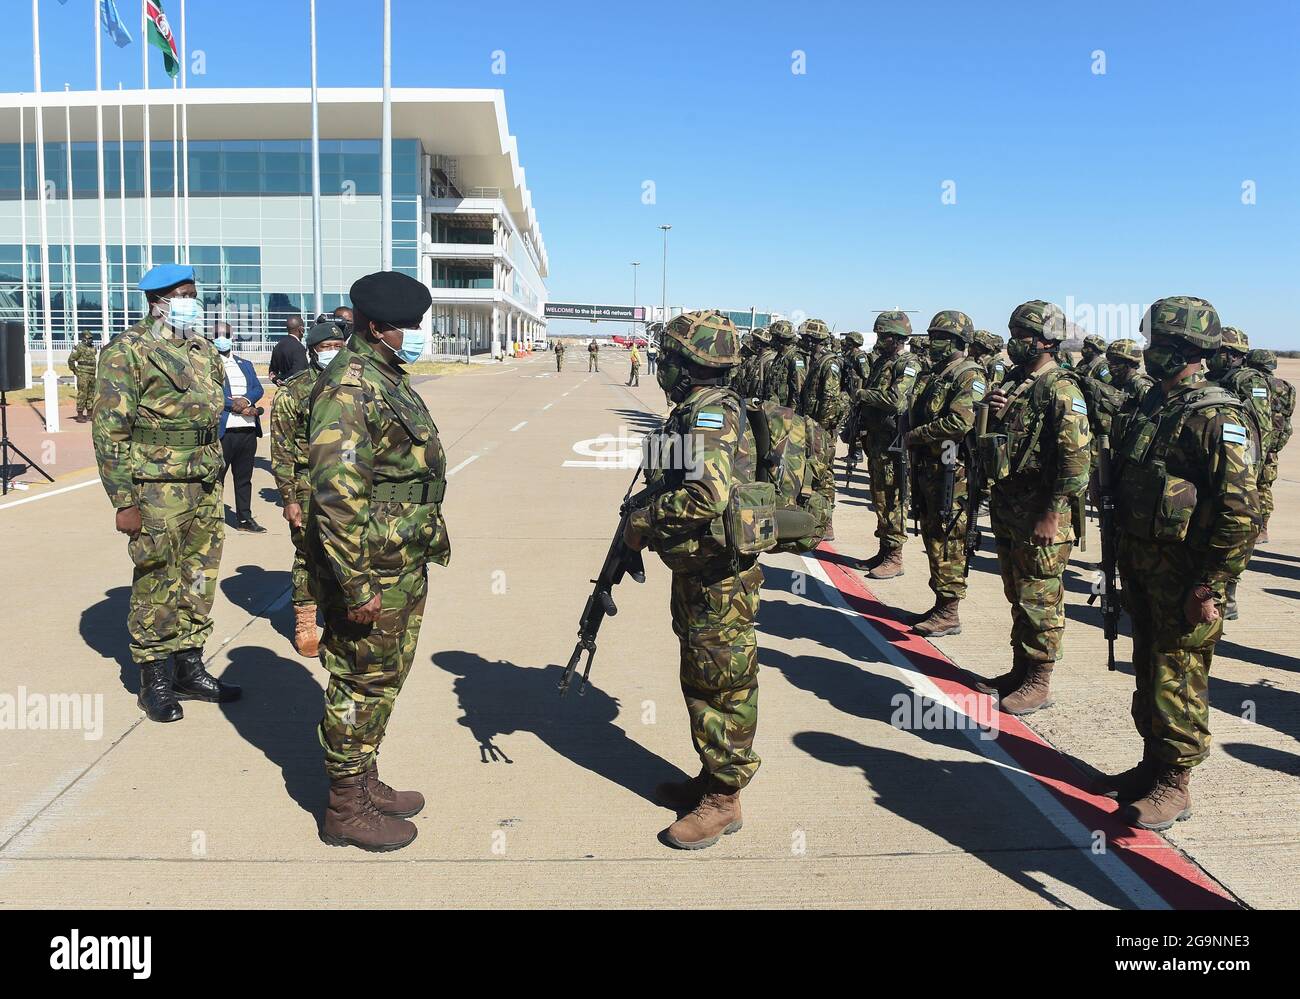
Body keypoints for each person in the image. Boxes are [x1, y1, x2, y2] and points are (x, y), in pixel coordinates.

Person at [1099, 296, 1259, 830]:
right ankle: (1152, 764)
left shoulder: (1219, 416)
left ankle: (1177, 783)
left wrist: (1211, 584)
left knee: (1180, 676)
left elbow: (1241, 512)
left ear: (1192, 350)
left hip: (1187, 577)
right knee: (1149, 669)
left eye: (1162, 346)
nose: (1150, 354)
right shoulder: (1152, 404)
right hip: (1144, 566)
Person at [309, 270, 450, 852]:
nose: (411, 336)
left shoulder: (384, 377)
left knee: (383, 677)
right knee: (361, 681)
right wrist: (356, 582)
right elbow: (337, 496)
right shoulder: (350, 389)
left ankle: (365, 780)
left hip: (400, 556)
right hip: (372, 567)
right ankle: (345, 808)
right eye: (403, 328)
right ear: (371, 327)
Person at [623, 310, 761, 850]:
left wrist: (642, 523)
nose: (664, 365)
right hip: (698, 570)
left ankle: (725, 799)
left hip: (720, 577)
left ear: (692, 363)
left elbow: (708, 495)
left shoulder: (710, 414)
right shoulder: (689, 410)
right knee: (702, 675)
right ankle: (712, 774)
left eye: (671, 357)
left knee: (724, 678)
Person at [92, 263, 241, 724]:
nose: (191, 302)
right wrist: (124, 501)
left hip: (204, 480)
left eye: (194, 294)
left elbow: (212, 412)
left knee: (200, 573)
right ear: (157, 299)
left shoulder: (202, 349)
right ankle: (154, 676)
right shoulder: (128, 351)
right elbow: (109, 431)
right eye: (183, 294)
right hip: (156, 486)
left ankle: (189, 664)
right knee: (158, 575)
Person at [976, 301, 1090, 714]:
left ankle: (1040, 680)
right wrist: (989, 410)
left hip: (1042, 514)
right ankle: (1020, 669)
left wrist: (1053, 513)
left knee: (1041, 599)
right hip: (1012, 508)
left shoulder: (1060, 388)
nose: (1014, 342)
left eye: (1021, 335)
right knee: (1018, 593)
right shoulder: (1018, 381)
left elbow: (1076, 460)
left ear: (1045, 340)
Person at [270, 319, 349, 658]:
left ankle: (342, 618)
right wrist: (289, 499)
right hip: (308, 483)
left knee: (349, 550)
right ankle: (305, 622)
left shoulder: (356, 384)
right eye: (324, 348)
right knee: (308, 553)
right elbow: (282, 448)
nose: (332, 353)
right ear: (312, 351)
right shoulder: (295, 391)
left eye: (337, 347)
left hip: (349, 483)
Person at [903, 311, 985, 637]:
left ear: (957, 342)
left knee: (949, 540)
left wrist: (916, 435)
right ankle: (941, 602)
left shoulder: (969, 376)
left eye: (939, 337)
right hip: (929, 468)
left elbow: (960, 422)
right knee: (933, 537)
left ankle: (950, 610)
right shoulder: (936, 373)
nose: (932, 342)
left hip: (953, 471)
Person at [1205, 326, 1272, 618]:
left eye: (1218, 352)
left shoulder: (1249, 380)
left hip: (1239, 468)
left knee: (1235, 531)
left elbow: (1262, 430)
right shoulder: (1213, 380)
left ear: (1232, 354)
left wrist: (1248, 471)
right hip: (1215, 468)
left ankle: (1227, 594)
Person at [855, 311, 919, 577]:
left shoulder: (908, 363)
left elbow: (896, 400)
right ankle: (884, 550)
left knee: (893, 498)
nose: (879, 340)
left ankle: (895, 556)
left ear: (896, 338)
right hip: (877, 440)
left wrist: (861, 394)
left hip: (894, 444)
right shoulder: (882, 361)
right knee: (880, 497)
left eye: (883, 336)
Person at [214, 322, 266, 533]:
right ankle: (213, 519)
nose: (222, 338)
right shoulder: (209, 364)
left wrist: (245, 401)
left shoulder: (244, 363)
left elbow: (258, 388)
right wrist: (237, 408)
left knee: (244, 478)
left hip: (247, 430)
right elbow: (214, 393)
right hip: (225, 431)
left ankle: (244, 518)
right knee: (217, 477)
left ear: (232, 336)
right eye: (217, 335)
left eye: (225, 334)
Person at [797, 318, 847, 540]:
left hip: (822, 430)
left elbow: (830, 397)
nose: (804, 342)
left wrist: (820, 429)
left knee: (824, 475)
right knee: (814, 473)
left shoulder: (830, 363)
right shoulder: (816, 361)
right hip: (813, 427)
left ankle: (827, 523)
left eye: (808, 339)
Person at [1246, 348, 1294, 544]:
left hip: (1254, 443)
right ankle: (1263, 528)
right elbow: (1287, 418)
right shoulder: (1287, 387)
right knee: (1264, 486)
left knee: (1249, 485)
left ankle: (1255, 527)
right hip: (1273, 444)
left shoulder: (1252, 383)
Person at [763, 319, 805, 406]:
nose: (771, 342)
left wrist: (793, 413)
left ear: (782, 340)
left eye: (774, 338)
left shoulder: (796, 359)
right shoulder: (779, 356)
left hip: (786, 411)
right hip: (774, 406)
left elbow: (798, 389)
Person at [269, 314, 308, 385]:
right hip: (297, 389)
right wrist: (284, 379)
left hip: (283, 389)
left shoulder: (278, 346)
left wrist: (278, 379)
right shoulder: (299, 347)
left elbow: (272, 372)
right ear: (301, 329)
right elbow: (300, 372)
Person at [69, 330, 99, 422]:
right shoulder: (79, 348)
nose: (91, 340)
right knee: (82, 394)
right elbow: (71, 360)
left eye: (91, 338)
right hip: (83, 374)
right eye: (89, 338)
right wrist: (76, 371)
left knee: (91, 394)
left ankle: (89, 414)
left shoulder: (93, 348)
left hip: (92, 374)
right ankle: (80, 415)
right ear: (84, 338)